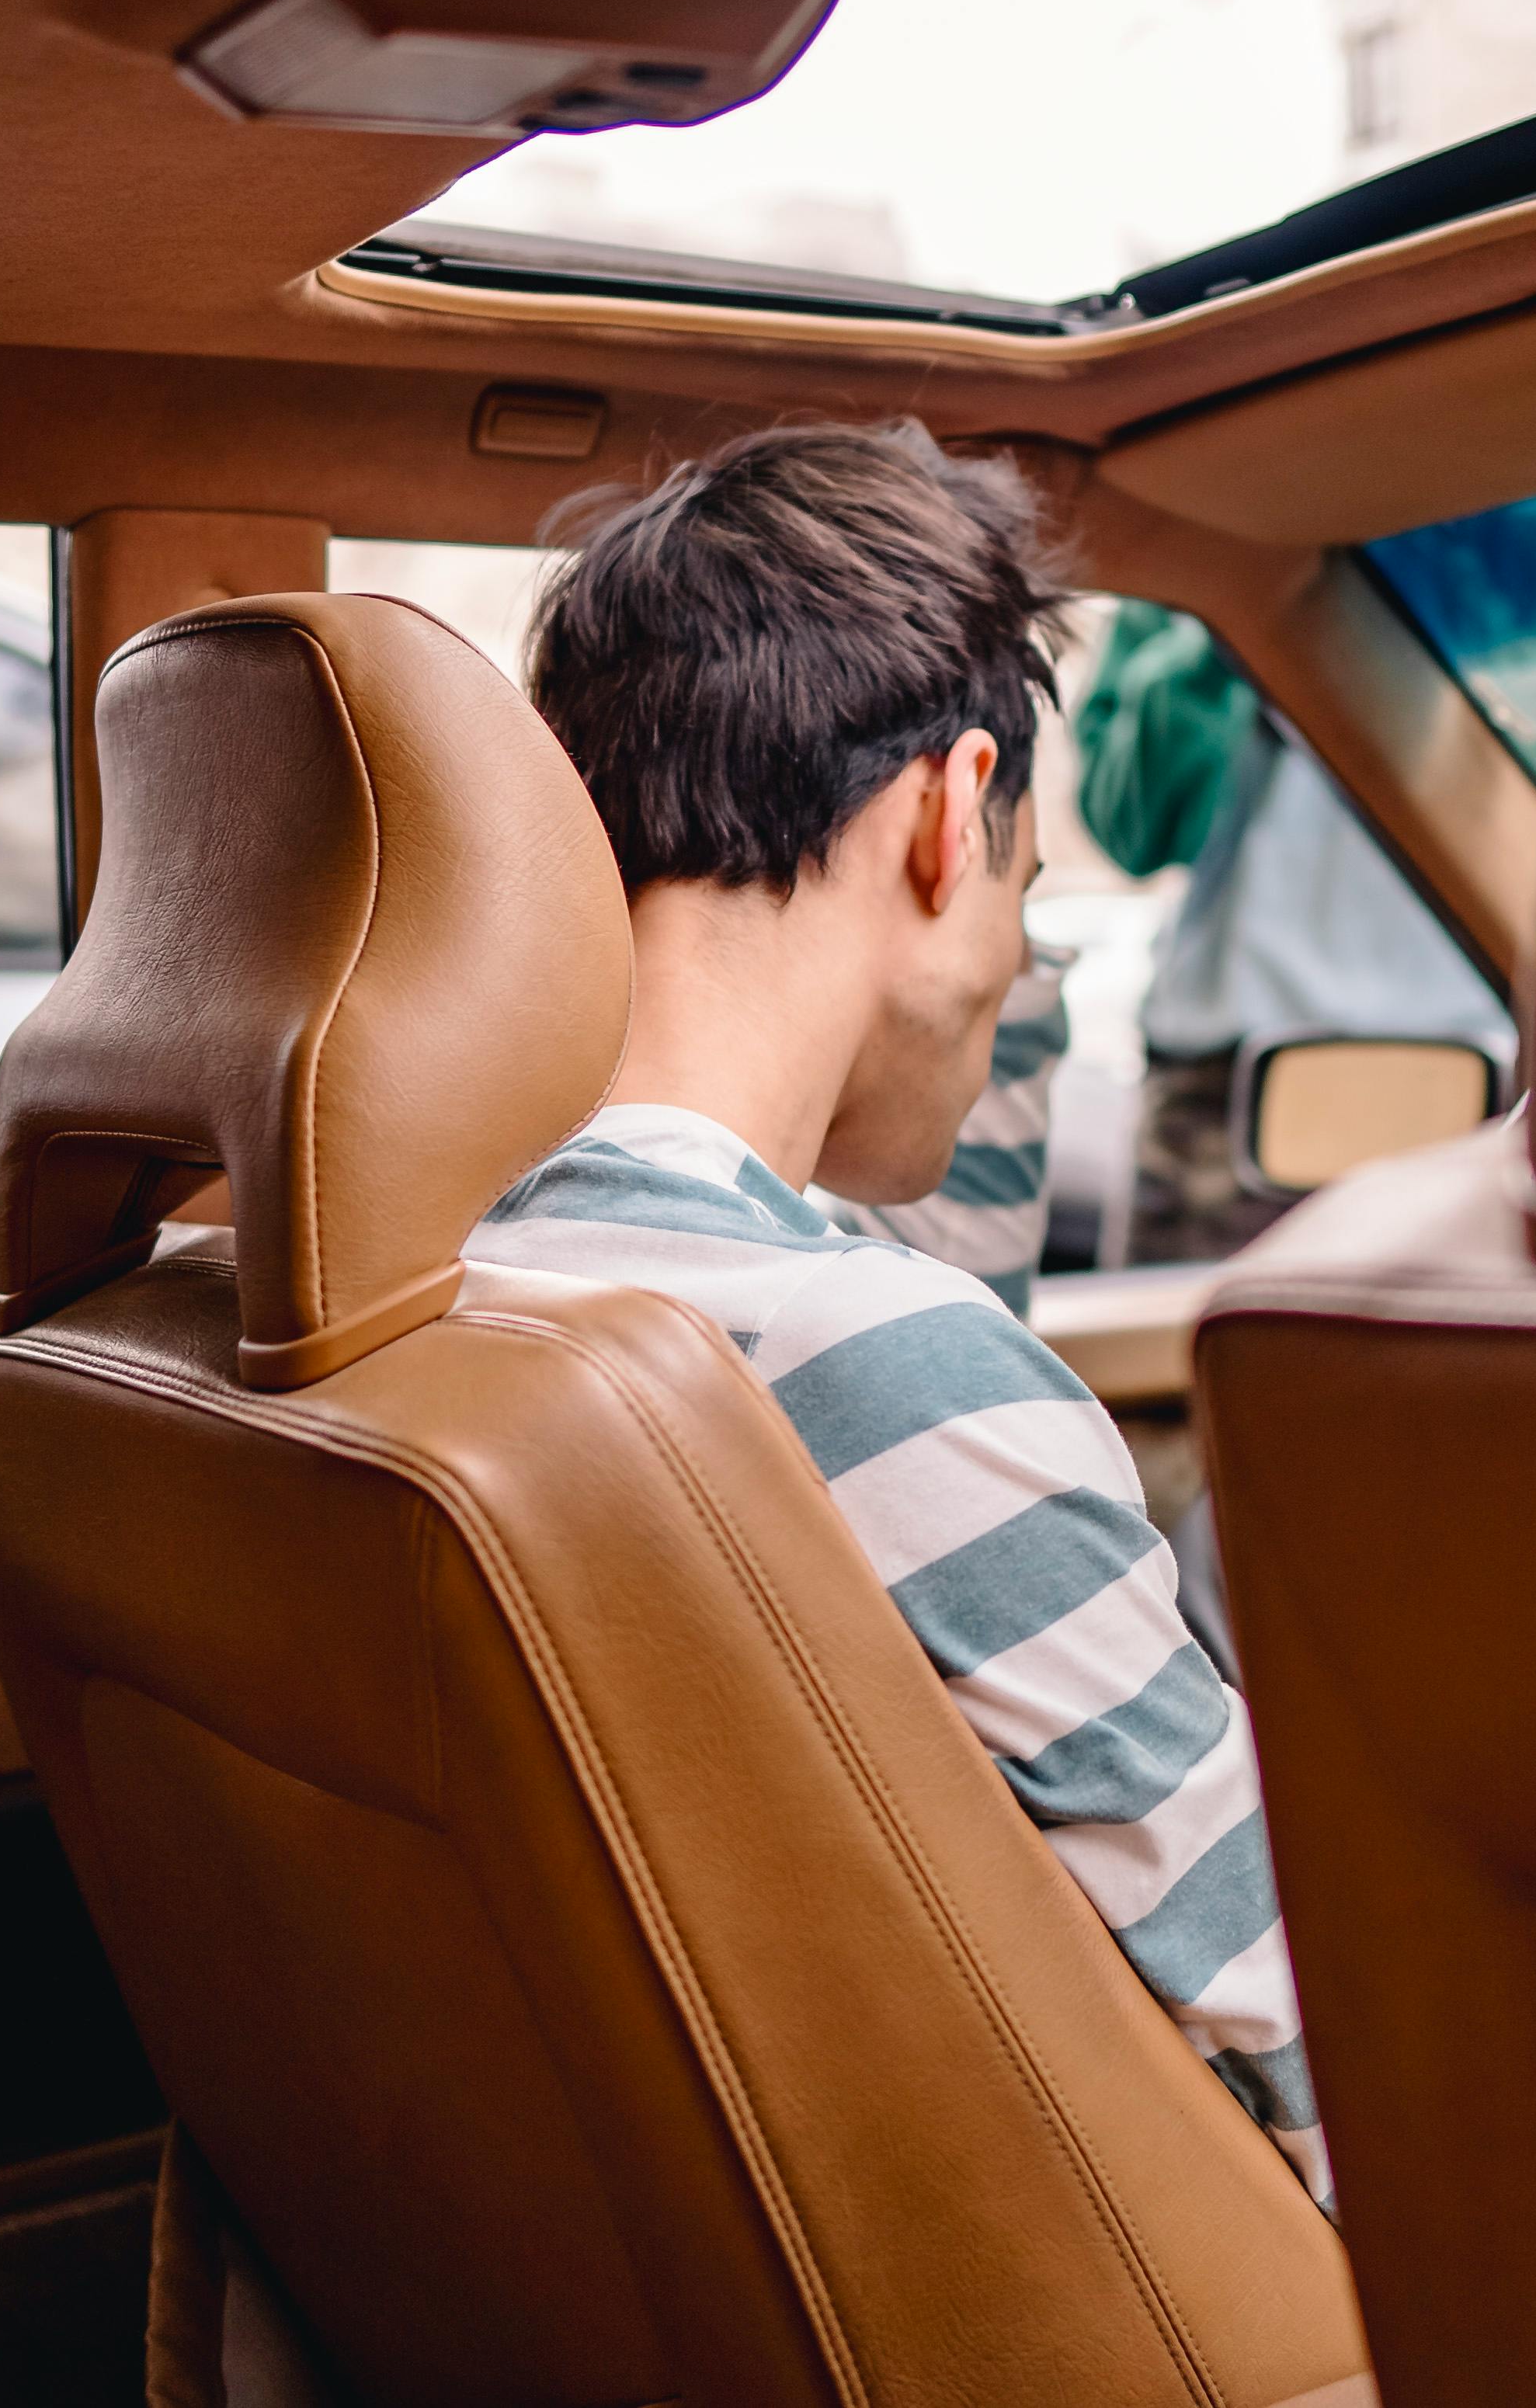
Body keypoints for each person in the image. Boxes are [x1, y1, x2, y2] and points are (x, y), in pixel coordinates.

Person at [464, 419, 1329, 2208]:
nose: (1016, 959)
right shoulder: (874, 1365)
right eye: (1025, 883)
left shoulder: (458, 1285)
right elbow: (1323, 2055)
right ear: (949, 813)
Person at [1077, 603, 1515, 1263]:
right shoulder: (1182, 585)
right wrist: (1220, 622)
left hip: (1466, 1085)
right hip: (1224, 1097)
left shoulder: (1509, 566)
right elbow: (1133, 828)